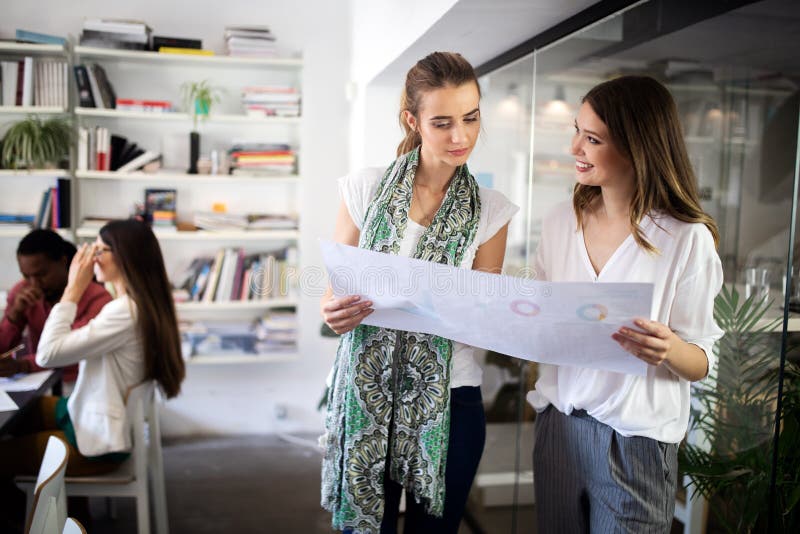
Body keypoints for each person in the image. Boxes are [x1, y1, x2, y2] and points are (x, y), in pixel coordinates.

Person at [320, 51, 519, 534]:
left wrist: (492, 311)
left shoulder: (491, 211)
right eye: (442, 123)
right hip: (367, 394)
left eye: (471, 118)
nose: (461, 136)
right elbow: (332, 296)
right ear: (413, 120)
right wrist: (335, 312)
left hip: (451, 398)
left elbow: (483, 312)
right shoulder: (364, 189)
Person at [527, 75, 725, 533]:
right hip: (558, 429)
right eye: (577, 131)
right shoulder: (560, 222)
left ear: (638, 148)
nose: (575, 148)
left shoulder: (685, 238)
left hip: (634, 445)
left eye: (592, 139)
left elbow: (700, 362)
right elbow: (540, 320)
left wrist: (668, 348)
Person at [0, 219, 185, 479]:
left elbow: (48, 353)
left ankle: (35, 505)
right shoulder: (134, 305)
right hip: (98, 416)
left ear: (123, 256)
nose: (91, 259)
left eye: (98, 251)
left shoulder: (123, 311)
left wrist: (73, 290)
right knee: (23, 416)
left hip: (99, 443)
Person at [0, 229, 111, 382]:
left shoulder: (97, 298)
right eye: (26, 276)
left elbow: (68, 351)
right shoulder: (21, 292)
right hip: (36, 382)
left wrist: (24, 365)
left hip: (80, 382)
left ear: (63, 262)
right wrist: (14, 314)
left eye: (41, 275)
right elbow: (3, 348)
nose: (34, 284)